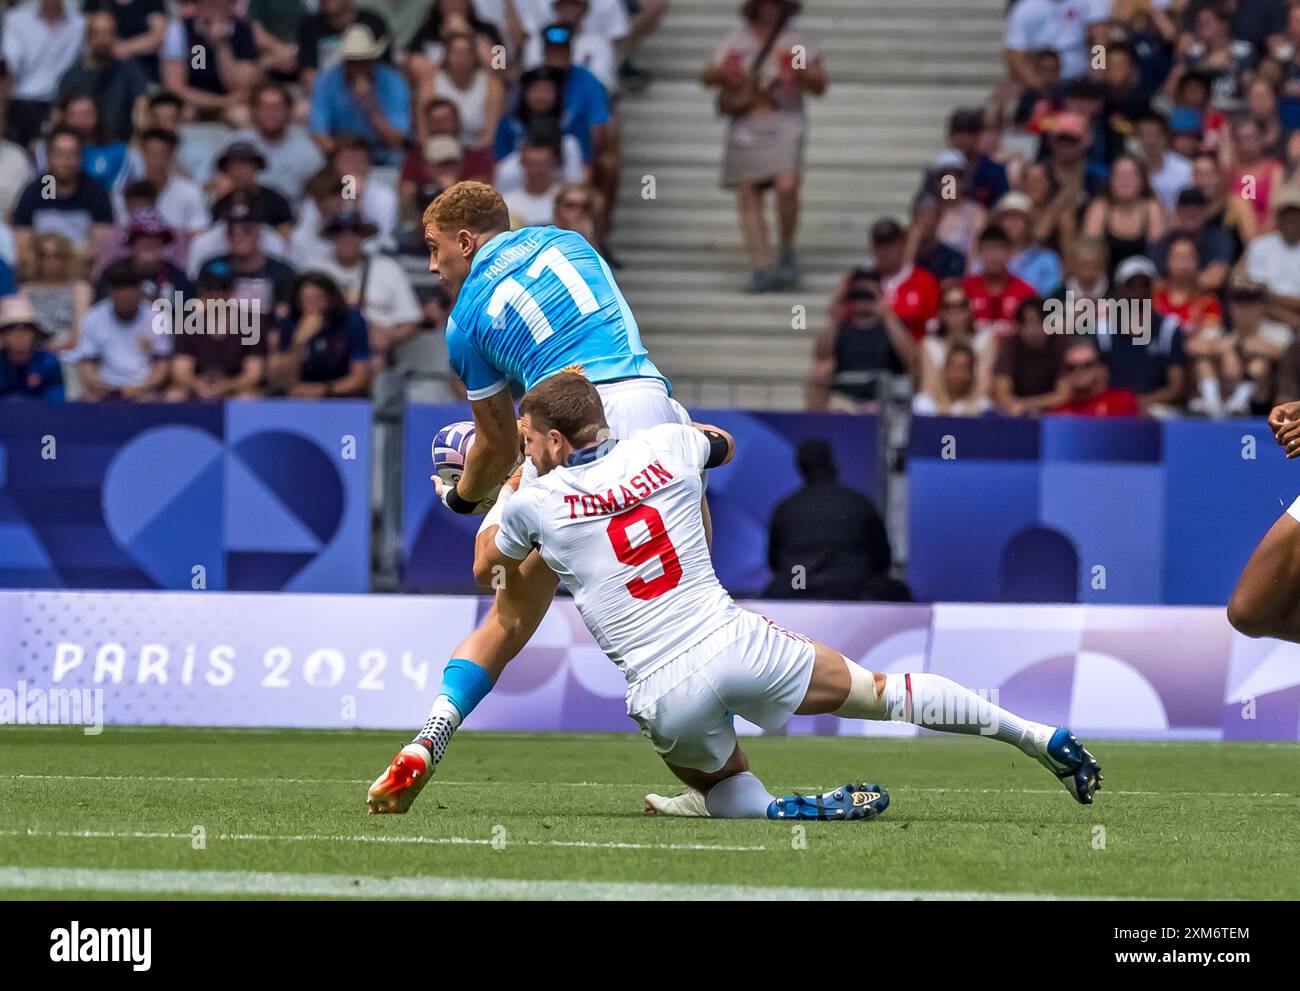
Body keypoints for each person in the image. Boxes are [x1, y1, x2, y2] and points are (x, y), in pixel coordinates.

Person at [369, 372, 1103, 818]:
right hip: (733, 641)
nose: (527, 448)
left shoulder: (540, 496)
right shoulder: (669, 446)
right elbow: (719, 442)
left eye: (530, 439)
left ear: (556, 444)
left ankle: (772, 810)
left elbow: (486, 567)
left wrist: (495, 488)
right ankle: (1035, 737)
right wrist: (661, 447)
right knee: (885, 690)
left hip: (661, 691)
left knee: (720, 784)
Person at [366, 180, 702, 807]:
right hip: (653, 406)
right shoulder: (571, 242)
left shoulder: (464, 322)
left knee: (506, 603)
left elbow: (495, 447)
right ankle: (720, 776)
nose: (433, 265)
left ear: (467, 241)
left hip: (570, 430)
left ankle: (429, 736)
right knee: (690, 599)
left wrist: (463, 498)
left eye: (436, 249)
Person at [700, 0, 827, 292]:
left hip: (785, 121)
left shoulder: (798, 41)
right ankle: (760, 264)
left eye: (776, 3)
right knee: (748, 194)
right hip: (746, 125)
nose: (770, 8)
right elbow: (707, 76)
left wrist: (800, 73)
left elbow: (820, 85)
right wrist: (726, 72)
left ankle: (785, 250)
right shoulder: (736, 40)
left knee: (787, 184)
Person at [764, 437, 901, 600]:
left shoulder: (786, 508)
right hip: (856, 591)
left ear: (800, 467)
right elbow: (882, 557)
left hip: (798, 588)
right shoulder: (859, 503)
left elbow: (775, 562)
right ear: (831, 463)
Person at [308, 22, 410, 166]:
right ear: (344, 61)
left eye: (363, 61)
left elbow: (396, 141)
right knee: (313, 157)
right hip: (340, 149)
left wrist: (370, 105)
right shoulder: (326, 80)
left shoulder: (393, 81)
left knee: (399, 158)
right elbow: (319, 132)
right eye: (352, 62)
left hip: (380, 149)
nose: (358, 68)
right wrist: (342, 156)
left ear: (373, 60)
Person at [807, 276, 915, 412]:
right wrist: (839, 302)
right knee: (821, 370)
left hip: (883, 400)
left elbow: (911, 358)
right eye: (857, 295)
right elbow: (821, 353)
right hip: (845, 400)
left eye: (867, 296)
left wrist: (885, 310)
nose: (862, 301)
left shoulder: (891, 328)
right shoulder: (840, 329)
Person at [166, 262, 266, 401]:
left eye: (223, 287)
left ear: (232, 291)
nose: (216, 294)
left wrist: (227, 386)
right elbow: (180, 371)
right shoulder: (188, 322)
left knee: (247, 397)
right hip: (196, 387)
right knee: (175, 395)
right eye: (210, 288)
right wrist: (197, 385)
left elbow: (253, 374)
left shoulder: (249, 323)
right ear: (201, 290)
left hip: (234, 389)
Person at [74, 258, 171, 400]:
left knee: (153, 399)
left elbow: (162, 366)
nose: (126, 295)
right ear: (110, 292)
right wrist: (97, 383)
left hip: (144, 389)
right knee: (88, 398)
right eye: (120, 289)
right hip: (105, 387)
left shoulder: (158, 318)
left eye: (130, 288)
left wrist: (143, 387)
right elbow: (87, 365)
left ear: (140, 290)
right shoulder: (93, 317)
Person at [267, 271, 371, 398]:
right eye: (305, 300)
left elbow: (360, 378)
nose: (311, 307)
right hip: (300, 394)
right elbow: (283, 382)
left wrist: (324, 389)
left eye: (317, 299)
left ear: (331, 299)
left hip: (339, 392)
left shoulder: (351, 320)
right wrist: (298, 342)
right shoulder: (290, 323)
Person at [1, 0, 86, 149]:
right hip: (23, 101)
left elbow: (83, 62)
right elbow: (10, 69)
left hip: (62, 102)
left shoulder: (80, 23)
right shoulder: (16, 19)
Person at [56, 10, 150, 144]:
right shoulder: (72, 76)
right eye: (98, 33)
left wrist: (136, 141)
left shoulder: (129, 70)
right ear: (88, 37)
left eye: (108, 33)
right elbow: (58, 116)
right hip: (80, 152)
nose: (103, 39)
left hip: (120, 148)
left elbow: (142, 106)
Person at [1051, 341, 1141, 416]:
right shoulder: (1059, 412)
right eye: (1071, 367)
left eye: (1088, 365)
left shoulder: (1124, 401)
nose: (1079, 371)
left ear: (1101, 368)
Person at [0, 301, 64, 403]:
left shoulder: (49, 362)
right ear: (2, 335)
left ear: (34, 333)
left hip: (40, 416)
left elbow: (55, 401)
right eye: (11, 328)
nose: (19, 334)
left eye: (26, 328)